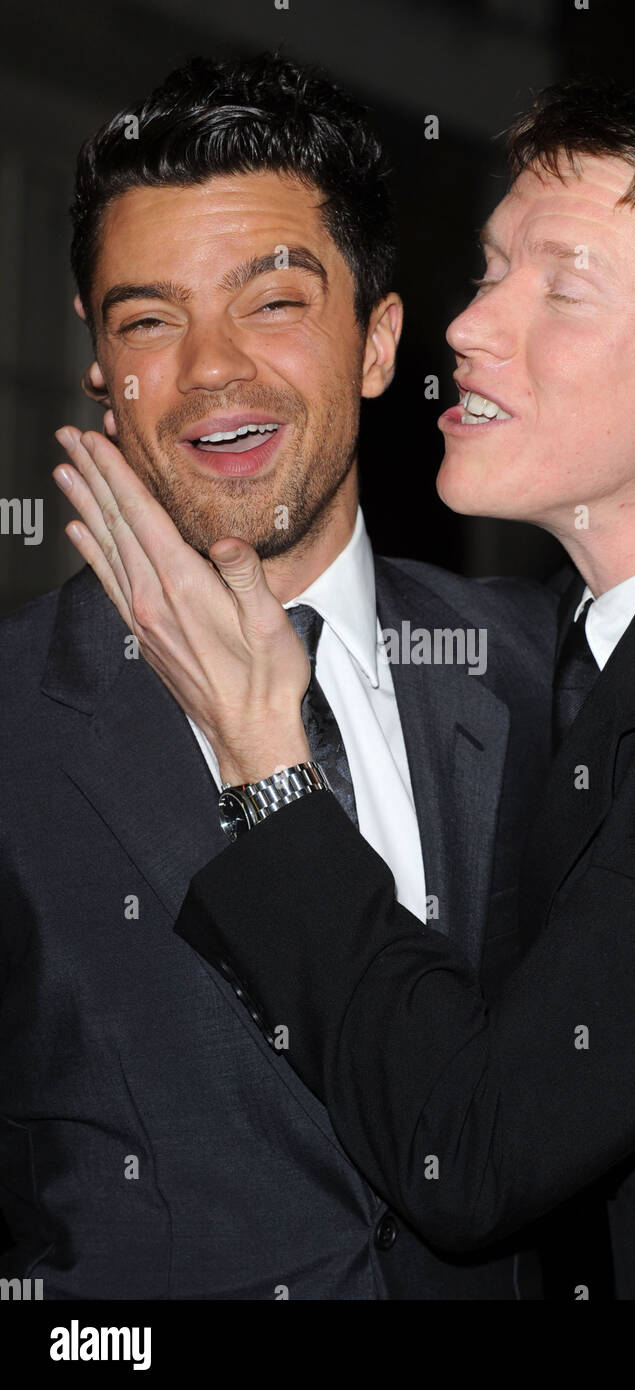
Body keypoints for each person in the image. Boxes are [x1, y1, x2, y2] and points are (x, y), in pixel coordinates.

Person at [60, 78, 635, 1301]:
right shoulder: (587, 646)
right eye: (492, 272)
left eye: (562, 286)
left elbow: (474, 1149)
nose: (472, 326)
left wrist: (267, 764)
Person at [0, 52, 556, 1300]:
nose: (209, 370)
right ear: (102, 373)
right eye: (149, 319)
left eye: (273, 302)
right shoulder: (10, 722)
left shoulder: (546, 672)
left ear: (378, 342)